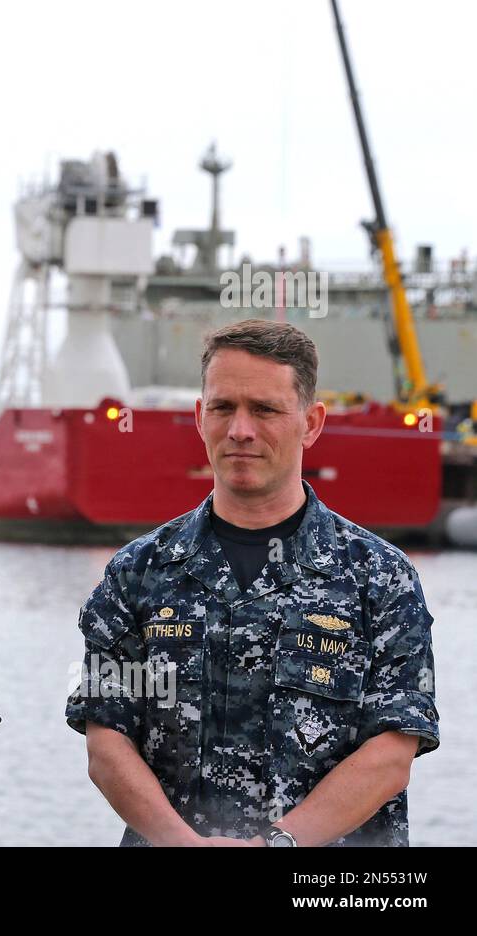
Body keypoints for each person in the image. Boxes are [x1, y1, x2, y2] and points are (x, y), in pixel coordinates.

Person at [65, 319, 439, 846]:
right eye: (223, 408)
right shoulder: (138, 574)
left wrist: (276, 847)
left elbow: (392, 753)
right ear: (200, 417)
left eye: (264, 410)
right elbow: (106, 741)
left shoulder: (380, 579)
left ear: (311, 423)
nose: (240, 429)